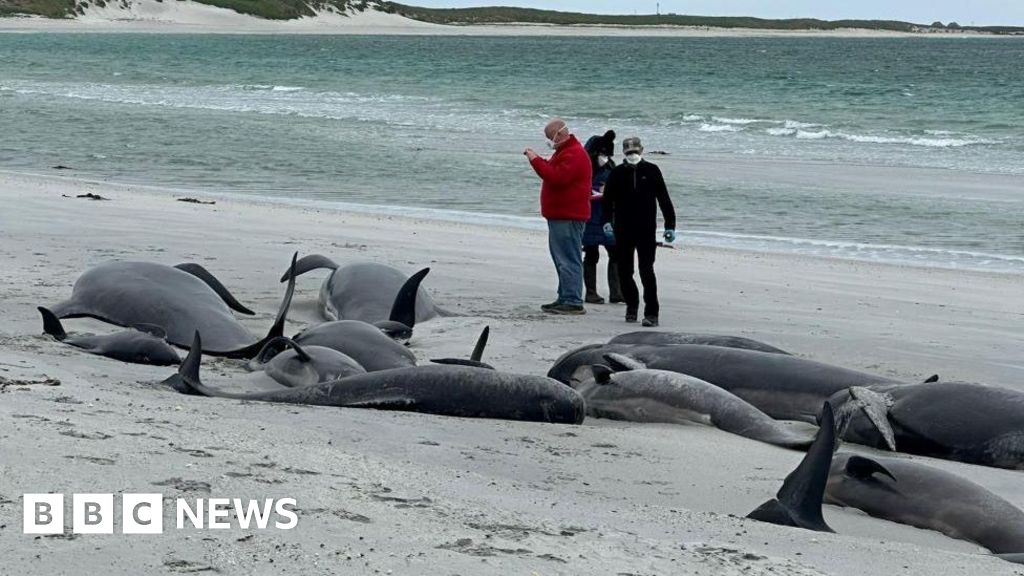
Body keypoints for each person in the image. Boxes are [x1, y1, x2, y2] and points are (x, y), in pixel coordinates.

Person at [601, 136, 676, 327]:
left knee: (646, 270)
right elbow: (607, 201)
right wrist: (606, 222)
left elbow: (664, 199)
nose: (632, 154)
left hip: (646, 230)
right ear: (624, 153)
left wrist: (670, 226)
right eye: (628, 152)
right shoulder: (617, 173)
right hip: (623, 230)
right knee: (625, 271)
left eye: (635, 151)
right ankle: (632, 305)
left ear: (641, 151)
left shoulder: (652, 170)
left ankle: (652, 313)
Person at [524, 118, 593, 315]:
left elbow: (556, 178)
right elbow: (555, 172)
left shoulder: (574, 154)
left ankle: (572, 300)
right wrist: (541, 160)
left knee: (568, 257)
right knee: (560, 257)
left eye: (550, 138)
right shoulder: (565, 152)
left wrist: (535, 160)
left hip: (569, 215)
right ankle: (565, 296)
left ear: (560, 135)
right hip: (560, 215)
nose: (549, 142)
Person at [582, 130, 622, 304]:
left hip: (607, 216)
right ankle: (591, 292)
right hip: (589, 216)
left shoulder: (611, 166)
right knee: (592, 254)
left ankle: (616, 292)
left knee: (615, 253)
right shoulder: (585, 167)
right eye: (603, 153)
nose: (605, 157)